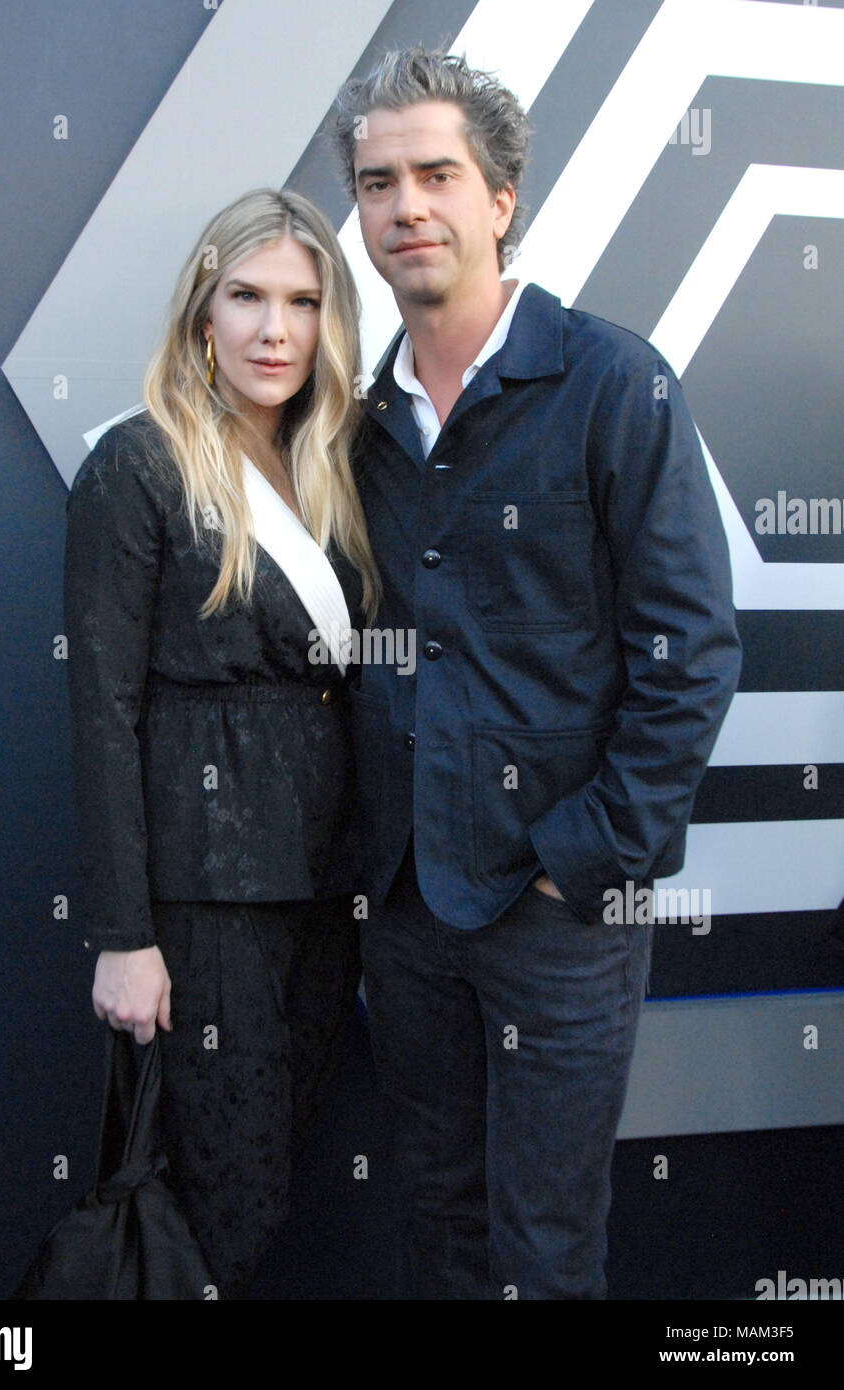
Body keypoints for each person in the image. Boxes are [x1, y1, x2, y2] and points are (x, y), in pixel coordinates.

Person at [331, 48, 742, 1298]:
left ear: (502, 198)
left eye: (437, 175)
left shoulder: (611, 381)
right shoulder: (360, 423)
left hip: (560, 912)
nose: (406, 206)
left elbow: (691, 651)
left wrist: (584, 858)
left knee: (545, 1248)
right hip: (406, 910)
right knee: (440, 1225)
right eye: (379, 183)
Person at [62, 187, 380, 1299]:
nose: (274, 330)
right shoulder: (138, 465)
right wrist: (123, 936)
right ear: (204, 311)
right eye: (247, 296)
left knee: (271, 1189)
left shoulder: (339, 465)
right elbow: (101, 708)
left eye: (302, 302)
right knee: (217, 1204)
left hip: (327, 895)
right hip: (201, 906)